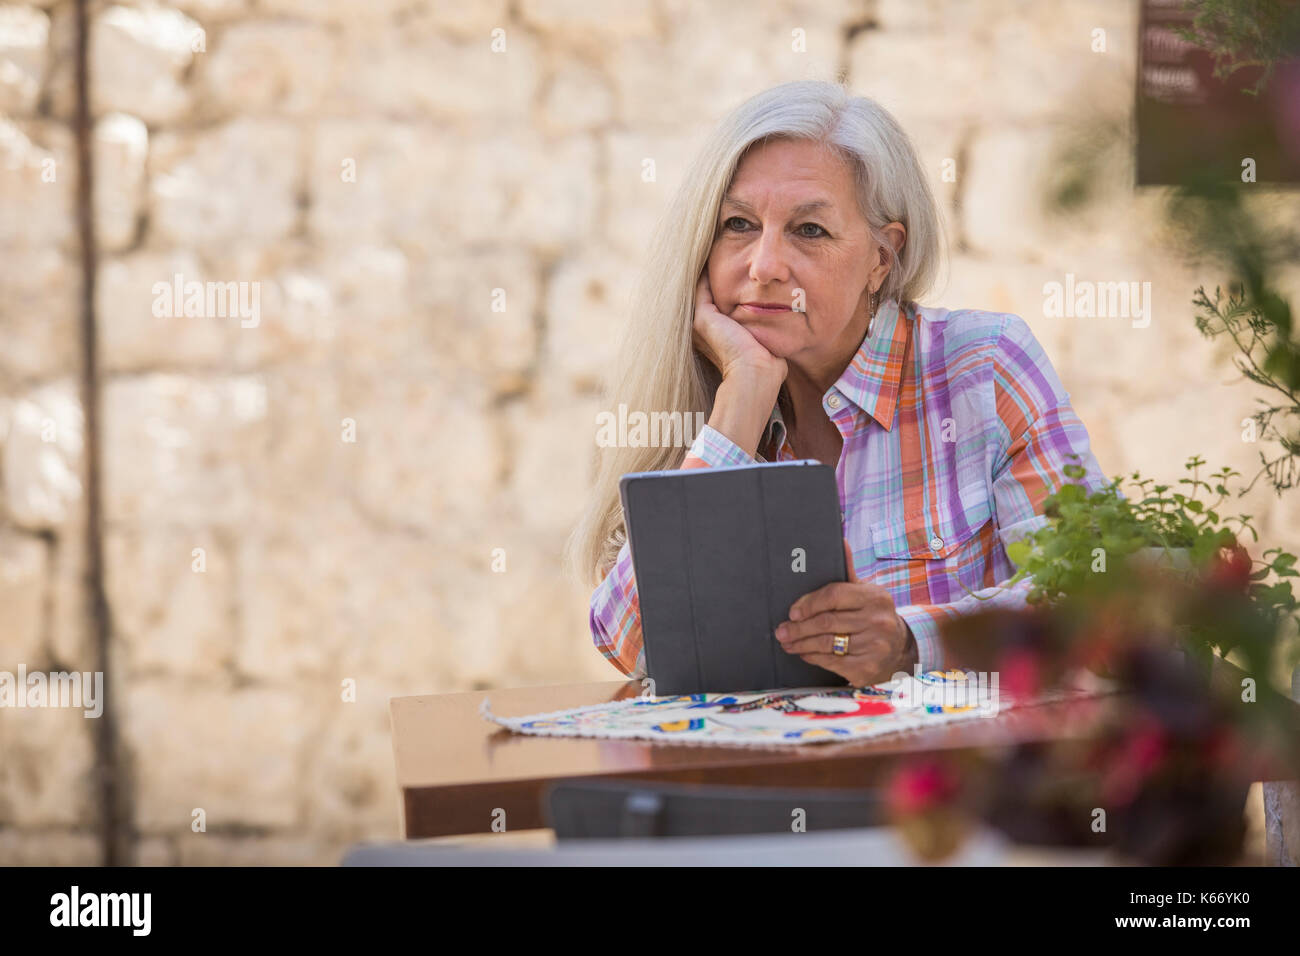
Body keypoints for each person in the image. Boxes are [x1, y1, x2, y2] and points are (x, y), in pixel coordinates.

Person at [564, 80, 1108, 688]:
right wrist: (739, 406)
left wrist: (909, 642)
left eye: (809, 231)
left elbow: (1098, 597)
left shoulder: (983, 366)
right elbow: (628, 645)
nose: (765, 266)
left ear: (883, 257)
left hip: (954, 776)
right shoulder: (699, 400)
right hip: (771, 778)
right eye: (738, 224)